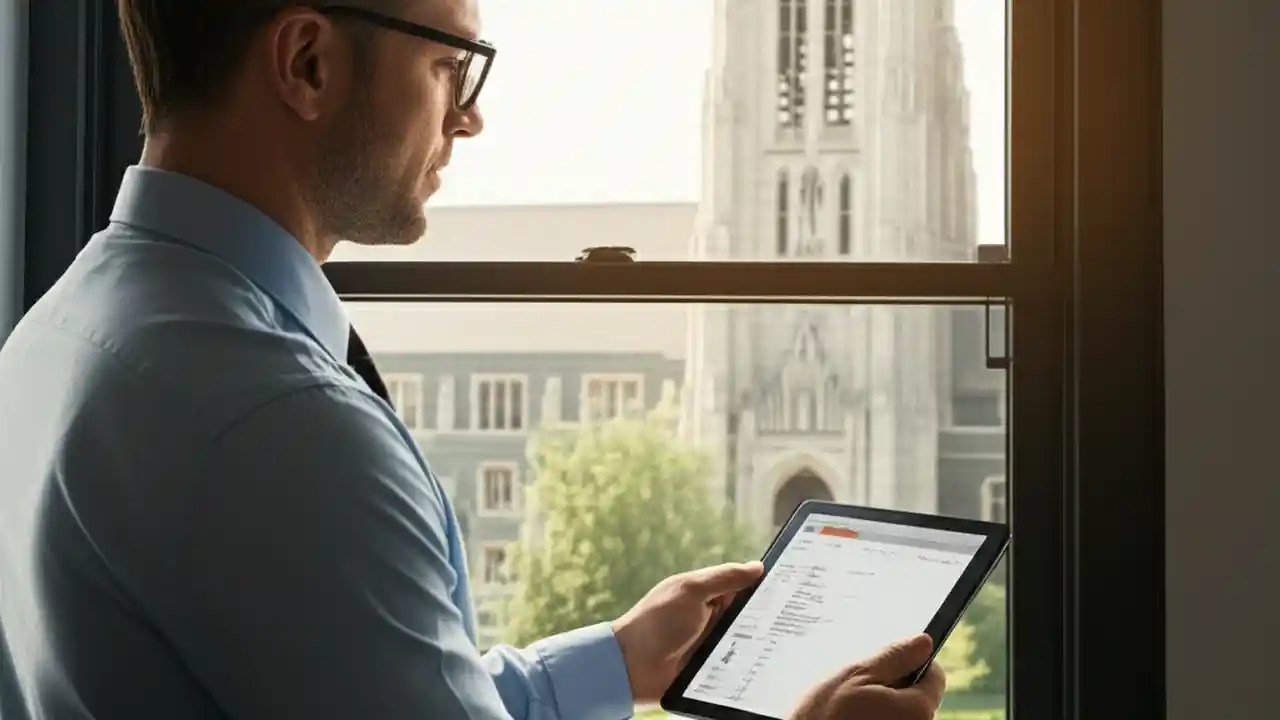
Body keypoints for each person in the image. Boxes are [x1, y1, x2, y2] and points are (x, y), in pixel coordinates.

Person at [0, 1, 947, 718]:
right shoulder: (280, 427)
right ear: (308, 63)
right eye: (449, 64)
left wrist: (614, 662)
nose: (468, 118)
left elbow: (355, 679)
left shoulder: (61, 332)